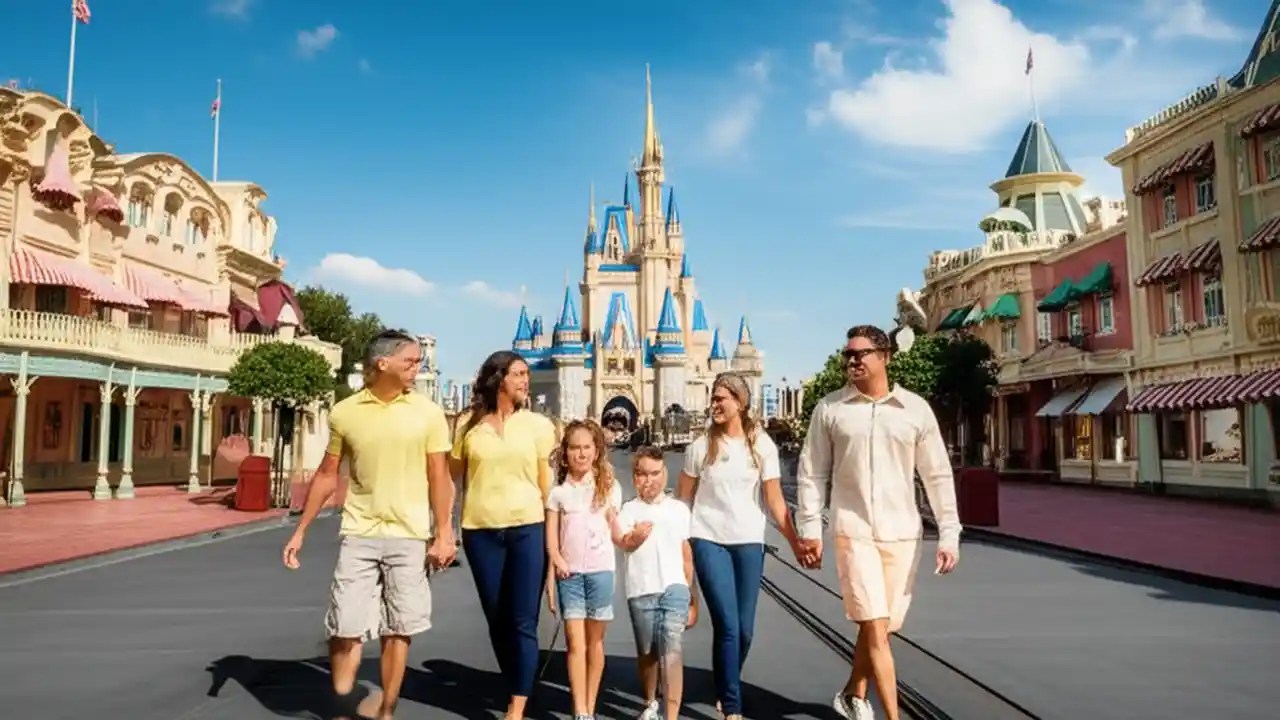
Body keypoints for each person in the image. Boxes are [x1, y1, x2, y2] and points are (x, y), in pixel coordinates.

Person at [282, 329, 455, 720]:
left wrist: (444, 533)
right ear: (383, 363)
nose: (417, 367)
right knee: (344, 624)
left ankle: (386, 710)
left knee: (399, 626)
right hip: (359, 531)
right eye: (410, 361)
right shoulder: (346, 412)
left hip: (409, 533)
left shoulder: (427, 413)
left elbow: (439, 477)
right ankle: (345, 689)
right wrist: (301, 530)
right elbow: (328, 475)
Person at [794, 324, 962, 720]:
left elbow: (937, 474)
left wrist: (949, 533)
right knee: (874, 625)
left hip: (903, 534)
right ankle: (892, 715)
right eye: (847, 354)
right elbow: (812, 472)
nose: (852, 360)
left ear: (885, 356)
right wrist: (809, 529)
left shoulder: (915, 410)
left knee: (881, 627)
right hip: (853, 531)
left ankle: (853, 692)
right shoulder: (830, 409)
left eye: (861, 353)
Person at [676, 371, 801, 720]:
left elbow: (774, 501)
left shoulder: (761, 446)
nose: (714, 404)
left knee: (744, 630)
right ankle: (732, 706)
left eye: (721, 398)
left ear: (740, 403)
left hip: (748, 541)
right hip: (708, 538)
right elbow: (683, 499)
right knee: (728, 625)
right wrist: (681, 544)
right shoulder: (700, 447)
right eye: (713, 398)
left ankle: (726, 679)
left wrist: (794, 540)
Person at [451, 350, 558, 720]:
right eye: (518, 374)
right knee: (498, 619)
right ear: (498, 379)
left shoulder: (539, 426)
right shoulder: (467, 425)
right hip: (480, 531)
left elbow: (548, 487)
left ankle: (517, 705)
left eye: (527, 374)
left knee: (523, 619)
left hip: (528, 527)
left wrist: (555, 540)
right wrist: (443, 529)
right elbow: (452, 478)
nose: (526, 381)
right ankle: (519, 684)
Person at [544, 419, 621, 720]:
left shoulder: (609, 488)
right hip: (570, 575)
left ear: (596, 451)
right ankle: (580, 709)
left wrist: (633, 537)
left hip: (601, 572)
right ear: (565, 454)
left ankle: (590, 702)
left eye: (587, 447)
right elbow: (552, 538)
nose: (581, 453)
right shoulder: (558, 493)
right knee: (575, 643)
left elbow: (617, 528)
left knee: (595, 642)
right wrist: (557, 562)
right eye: (575, 448)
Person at [616, 445, 698, 720]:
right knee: (648, 653)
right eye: (642, 474)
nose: (649, 480)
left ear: (664, 474)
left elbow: (687, 556)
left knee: (671, 649)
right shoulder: (628, 511)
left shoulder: (678, 510)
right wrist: (635, 537)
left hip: (674, 588)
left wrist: (693, 599)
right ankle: (651, 701)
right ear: (634, 477)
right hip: (641, 590)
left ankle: (671, 715)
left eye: (654, 473)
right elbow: (623, 543)